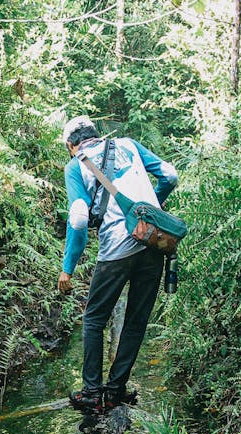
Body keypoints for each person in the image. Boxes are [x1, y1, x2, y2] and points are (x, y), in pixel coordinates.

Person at [58, 115, 178, 412]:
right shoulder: (129, 145)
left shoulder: (76, 165)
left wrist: (67, 268)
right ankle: (114, 392)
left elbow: (78, 217)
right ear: (96, 134)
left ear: (72, 146)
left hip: (116, 249)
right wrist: (149, 211)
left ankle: (91, 393)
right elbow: (170, 175)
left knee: (94, 319)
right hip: (153, 242)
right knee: (136, 321)